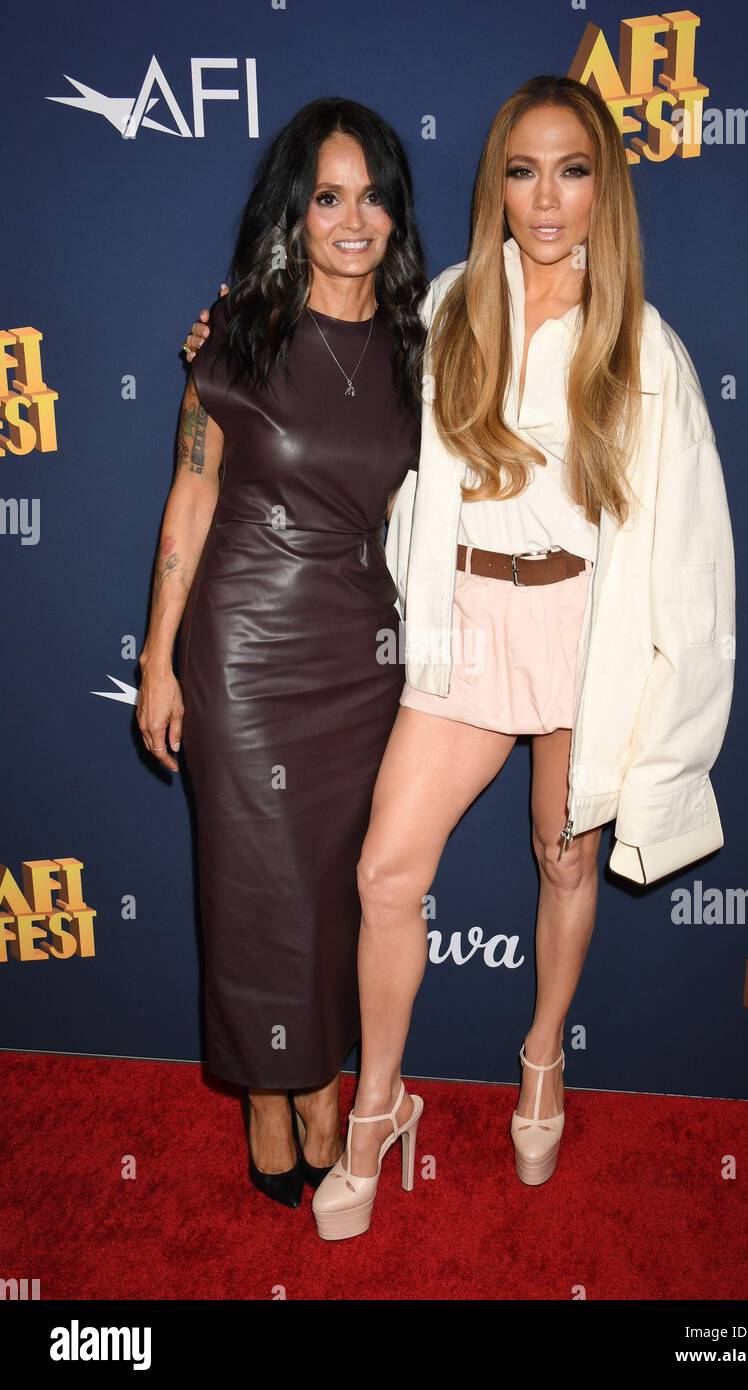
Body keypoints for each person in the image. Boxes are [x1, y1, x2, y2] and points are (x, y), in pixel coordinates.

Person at [308, 75, 736, 1240]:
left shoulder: (643, 346)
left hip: (585, 632)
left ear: (604, 189)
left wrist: (668, 704)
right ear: (494, 181)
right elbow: (335, 357)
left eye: (572, 169)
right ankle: (377, 1106)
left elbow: (692, 553)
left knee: (563, 859)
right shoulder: (449, 304)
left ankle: (541, 1055)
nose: (545, 198)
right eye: (521, 169)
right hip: (464, 627)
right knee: (385, 872)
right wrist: (222, 335)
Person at [138, 97, 425, 1208]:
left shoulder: (420, 342)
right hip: (246, 649)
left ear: (395, 212)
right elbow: (192, 491)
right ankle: (273, 1092)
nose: (351, 219)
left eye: (371, 197)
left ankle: (322, 1081)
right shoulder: (237, 333)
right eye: (326, 197)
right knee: (253, 886)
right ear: (293, 213)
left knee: (334, 891)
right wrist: (159, 659)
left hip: (363, 656)